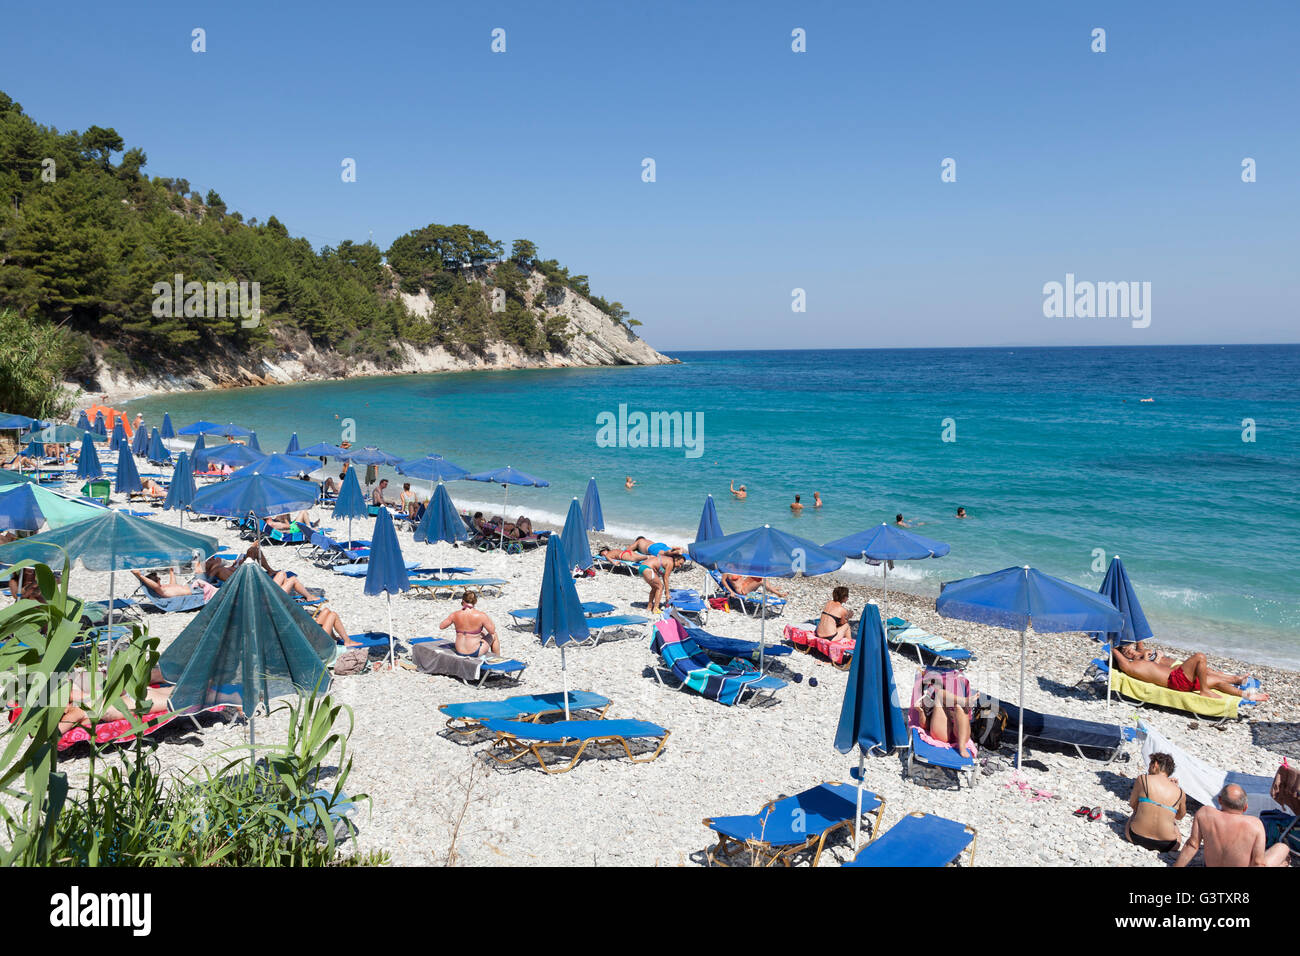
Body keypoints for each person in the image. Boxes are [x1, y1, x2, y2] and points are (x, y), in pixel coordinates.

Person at [1173, 785, 1291, 867]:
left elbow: (1192, 845)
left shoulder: (1205, 813)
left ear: (1220, 800)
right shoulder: (1254, 824)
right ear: (1245, 807)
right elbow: (1258, 863)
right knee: (1282, 848)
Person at [1111, 645, 1267, 701]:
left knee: (1216, 681)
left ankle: (1247, 695)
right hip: (1175, 680)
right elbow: (1116, 654)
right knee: (1199, 657)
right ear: (1121, 659)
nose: (1128, 651)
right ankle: (1205, 691)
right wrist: (1111, 646)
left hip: (1177, 677)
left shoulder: (1139, 658)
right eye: (1124, 651)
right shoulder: (1131, 667)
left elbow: (1139, 643)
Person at [1125, 752, 1187, 853]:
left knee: (1136, 812)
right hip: (1168, 845)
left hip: (1135, 837)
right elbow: (1179, 817)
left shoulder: (1143, 779)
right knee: (1173, 821)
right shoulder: (1180, 792)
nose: (1148, 769)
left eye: (1150, 765)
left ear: (1156, 764)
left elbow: (1133, 804)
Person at [915, 672, 974, 757]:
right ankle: (963, 701)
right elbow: (924, 725)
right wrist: (920, 711)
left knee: (959, 707)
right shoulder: (927, 696)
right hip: (943, 733)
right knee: (941, 695)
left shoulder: (960, 686)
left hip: (961, 733)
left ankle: (962, 746)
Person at [438, 590, 499, 657]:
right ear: (475, 601)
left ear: (463, 601)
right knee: (494, 635)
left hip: (459, 651)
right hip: (474, 652)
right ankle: (497, 659)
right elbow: (492, 631)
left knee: (482, 633)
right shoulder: (481, 615)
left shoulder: (455, 614)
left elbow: (441, 626)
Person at [721, 574, 787, 598]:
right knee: (760, 581)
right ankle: (778, 594)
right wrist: (731, 592)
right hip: (742, 590)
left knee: (760, 576)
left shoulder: (736, 568)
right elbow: (723, 581)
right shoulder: (726, 572)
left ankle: (771, 588)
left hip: (745, 584)